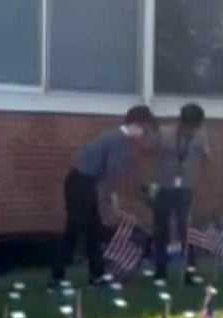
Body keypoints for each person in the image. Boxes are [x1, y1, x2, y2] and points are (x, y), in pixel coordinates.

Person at [49, 105, 159, 290]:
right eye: (145, 130)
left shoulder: (115, 136)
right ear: (136, 124)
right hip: (80, 182)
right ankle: (56, 279)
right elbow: (113, 173)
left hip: (84, 182)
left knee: (94, 230)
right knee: (75, 230)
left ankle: (96, 276)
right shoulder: (119, 140)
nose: (144, 135)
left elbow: (115, 173)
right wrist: (114, 201)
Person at [150, 103, 211, 284]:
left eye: (195, 126)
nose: (191, 130)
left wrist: (202, 184)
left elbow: (207, 159)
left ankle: (189, 272)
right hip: (163, 188)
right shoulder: (164, 134)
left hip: (185, 189)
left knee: (186, 230)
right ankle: (161, 272)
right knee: (161, 230)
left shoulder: (200, 137)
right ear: (182, 122)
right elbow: (148, 155)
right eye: (189, 126)